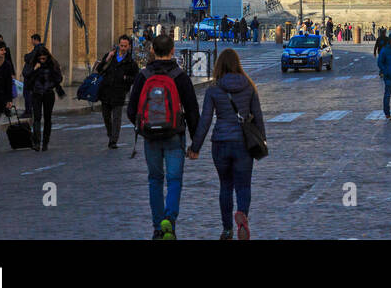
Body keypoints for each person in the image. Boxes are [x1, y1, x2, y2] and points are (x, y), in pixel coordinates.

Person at [127, 31, 201, 240]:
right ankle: (170, 218)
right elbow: (193, 111)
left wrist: (144, 127)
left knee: (155, 180)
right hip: (174, 134)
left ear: (152, 51)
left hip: (150, 136)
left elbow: (131, 110)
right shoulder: (180, 77)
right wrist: (195, 143)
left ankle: (158, 226)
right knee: (175, 179)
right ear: (172, 51)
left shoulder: (144, 76)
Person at [188, 48, 264, 240]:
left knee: (225, 185)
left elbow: (205, 120)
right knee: (244, 185)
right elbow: (258, 116)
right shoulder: (249, 86)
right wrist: (261, 140)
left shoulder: (214, 89)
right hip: (243, 142)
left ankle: (227, 229)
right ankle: (243, 217)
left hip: (220, 142)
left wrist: (195, 147)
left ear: (219, 65)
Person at [95, 35, 140, 149]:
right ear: (118, 45)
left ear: (129, 46)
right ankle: (110, 134)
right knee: (106, 117)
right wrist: (107, 58)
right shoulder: (111, 56)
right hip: (105, 91)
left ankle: (113, 140)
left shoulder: (131, 62)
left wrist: (125, 78)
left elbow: (136, 78)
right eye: (121, 45)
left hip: (119, 92)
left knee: (116, 118)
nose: (123, 48)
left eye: (125, 46)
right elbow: (99, 69)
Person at [21, 43, 64, 152]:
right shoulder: (33, 64)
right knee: (37, 118)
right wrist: (35, 69)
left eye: (44, 57)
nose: (42, 59)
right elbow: (25, 74)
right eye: (40, 57)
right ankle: (36, 142)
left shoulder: (53, 64)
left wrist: (51, 84)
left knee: (48, 118)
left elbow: (59, 78)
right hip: (36, 94)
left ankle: (45, 142)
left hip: (48, 94)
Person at [21, 33, 43, 118]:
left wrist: (27, 56)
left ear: (35, 40)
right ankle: (30, 111)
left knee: (27, 94)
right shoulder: (38, 49)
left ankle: (28, 111)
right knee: (30, 94)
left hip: (31, 76)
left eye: (32, 40)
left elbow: (28, 58)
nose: (31, 41)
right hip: (32, 76)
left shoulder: (38, 49)